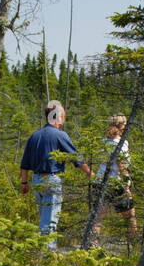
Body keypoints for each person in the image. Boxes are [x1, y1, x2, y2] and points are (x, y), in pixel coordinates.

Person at [19, 100, 91, 249]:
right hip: (51, 180)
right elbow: (76, 158)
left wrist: (24, 183)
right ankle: (47, 258)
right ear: (57, 117)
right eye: (63, 115)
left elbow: (24, 163)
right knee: (49, 222)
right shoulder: (59, 135)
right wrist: (91, 174)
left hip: (36, 180)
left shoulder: (34, 136)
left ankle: (44, 253)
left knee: (44, 219)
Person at [90, 114, 138, 240]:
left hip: (100, 181)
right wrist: (127, 186)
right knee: (130, 216)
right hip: (116, 183)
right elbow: (122, 165)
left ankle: (92, 245)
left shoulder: (104, 141)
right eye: (125, 123)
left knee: (98, 218)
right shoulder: (121, 143)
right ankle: (133, 243)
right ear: (121, 126)